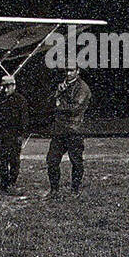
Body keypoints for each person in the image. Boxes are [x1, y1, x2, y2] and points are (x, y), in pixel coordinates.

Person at [47, 66, 92, 194]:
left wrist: (59, 105)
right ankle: (54, 190)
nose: (68, 73)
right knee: (52, 160)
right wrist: (57, 93)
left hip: (74, 129)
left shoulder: (82, 88)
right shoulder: (63, 85)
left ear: (77, 71)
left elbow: (76, 108)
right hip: (60, 129)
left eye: (71, 70)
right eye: (66, 70)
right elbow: (49, 103)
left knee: (76, 161)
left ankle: (75, 190)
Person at [0, 73, 29, 191]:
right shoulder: (0, 100)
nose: (5, 89)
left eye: (8, 86)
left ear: (14, 86)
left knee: (13, 160)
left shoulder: (20, 100)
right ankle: (4, 183)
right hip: (2, 134)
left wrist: (21, 135)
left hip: (14, 134)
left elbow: (24, 119)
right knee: (1, 160)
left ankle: (12, 182)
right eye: (3, 87)